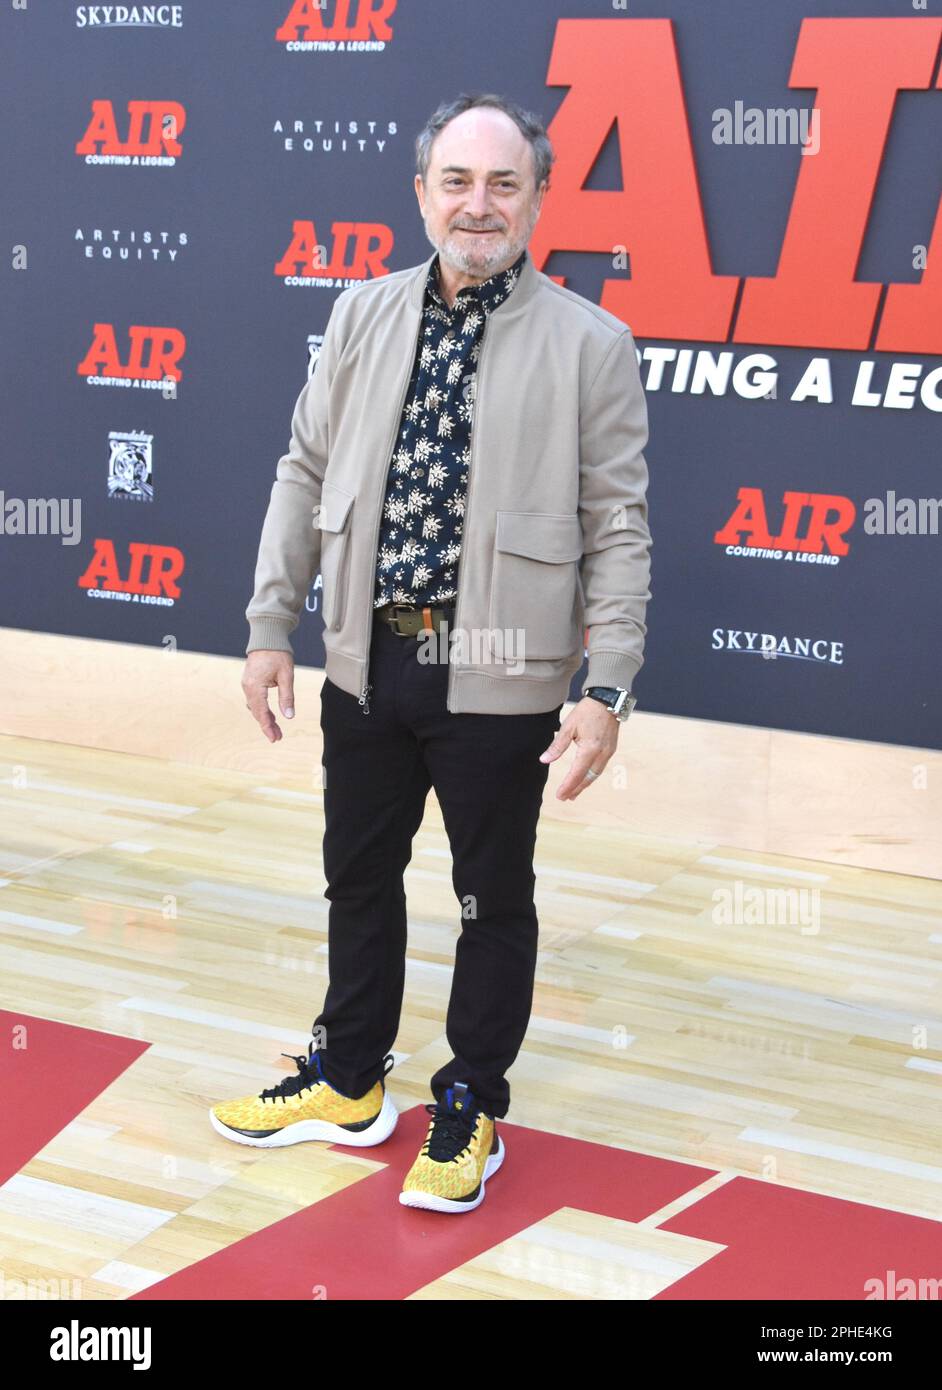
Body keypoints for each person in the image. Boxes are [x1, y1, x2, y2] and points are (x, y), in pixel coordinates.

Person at [210, 92, 652, 1214]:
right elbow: (303, 472)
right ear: (422, 193)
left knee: (488, 896)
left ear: (539, 199)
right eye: (457, 181)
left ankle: (471, 1102)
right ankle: (351, 1076)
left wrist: (606, 688)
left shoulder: (592, 346)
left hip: (500, 665)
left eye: (504, 184)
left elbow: (619, 528)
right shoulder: (360, 316)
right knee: (356, 874)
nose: (479, 204)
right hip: (368, 656)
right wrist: (273, 622)